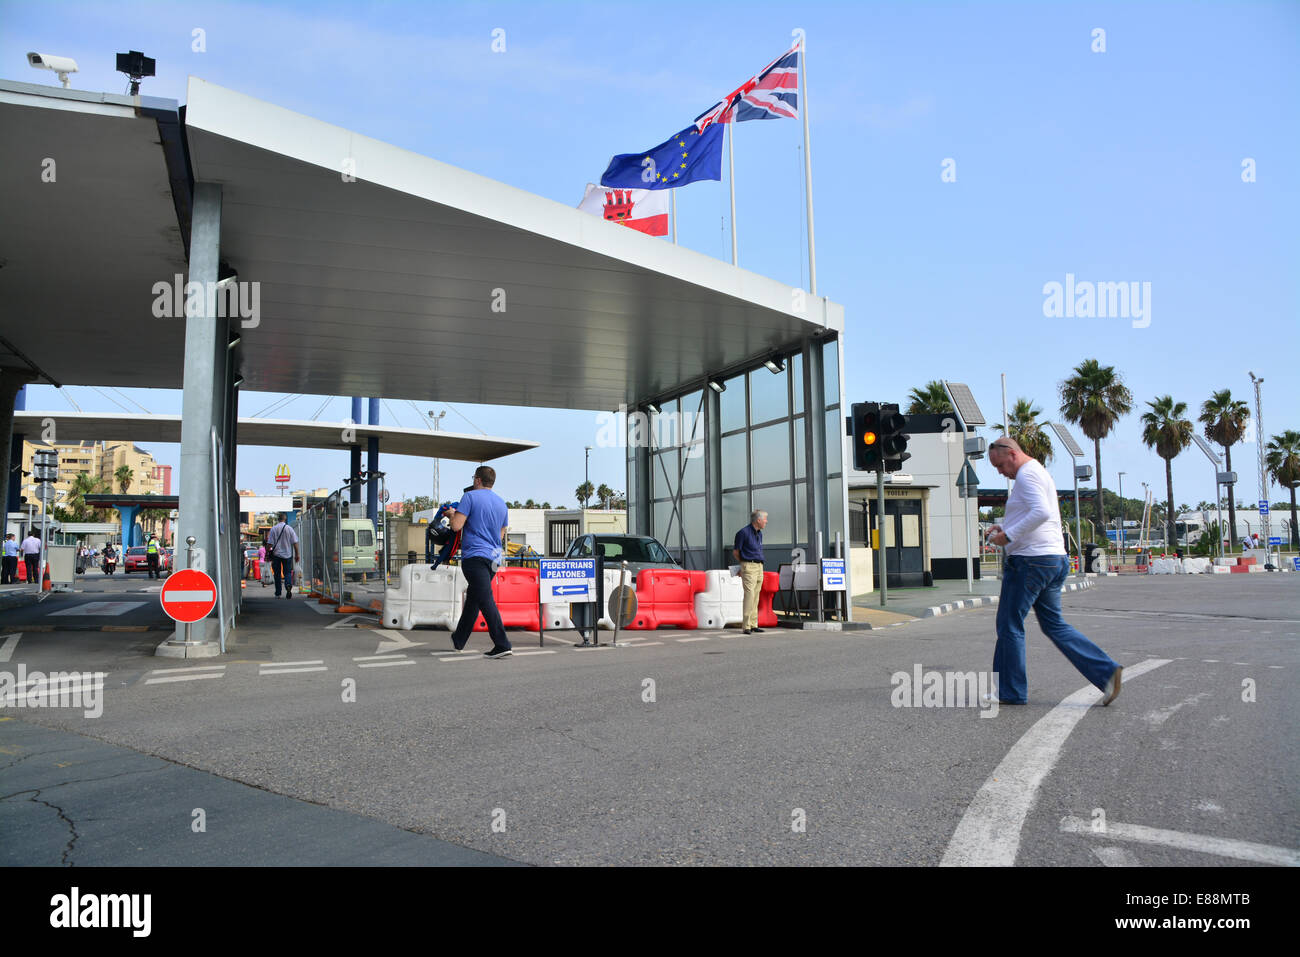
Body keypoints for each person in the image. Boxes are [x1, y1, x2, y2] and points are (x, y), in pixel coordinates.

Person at [985, 438, 1122, 706]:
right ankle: (1106, 672)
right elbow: (1035, 514)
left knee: (1009, 625)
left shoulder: (1027, 475)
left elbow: (1041, 512)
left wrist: (1008, 536)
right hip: (1052, 559)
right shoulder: (1037, 472)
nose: (1001, 472)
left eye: (1000, 465)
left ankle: (1011, 691)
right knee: (1054, 625)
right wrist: (1003, 527)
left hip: (1030, 562)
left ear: (1012, 454)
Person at [447, 466, 512, 658]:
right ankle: (458, 639)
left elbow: (456, 526)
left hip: (474, 557)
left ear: (477, 480)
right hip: (494, 558)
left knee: (485, 599)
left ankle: (502, 644)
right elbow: (501, 533)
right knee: (475, 597)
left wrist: (451, 515)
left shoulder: (470, 497)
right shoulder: (502, 503)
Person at [732, 509, 768, 635]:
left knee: (756, 595)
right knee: (749, 595)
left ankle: (753, 624)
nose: (766, 522)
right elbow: (736, 552)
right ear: (758, 520)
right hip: (749, 565)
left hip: (759, 566)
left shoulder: (760, 533)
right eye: (765, 519)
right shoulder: (743, 533)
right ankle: (746, 625)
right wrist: (744, 564)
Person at [266, 513, 300, 599]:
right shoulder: (289, 529)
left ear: (278, 519)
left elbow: (269, 543)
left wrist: (266, 553)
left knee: (277, 574)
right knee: (287, 572)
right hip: (287, 555)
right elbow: (295, 542)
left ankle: (278, 593)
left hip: (276, 555)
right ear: (285, 519)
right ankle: (288, 585)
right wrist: (297, 554)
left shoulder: (274, 529)